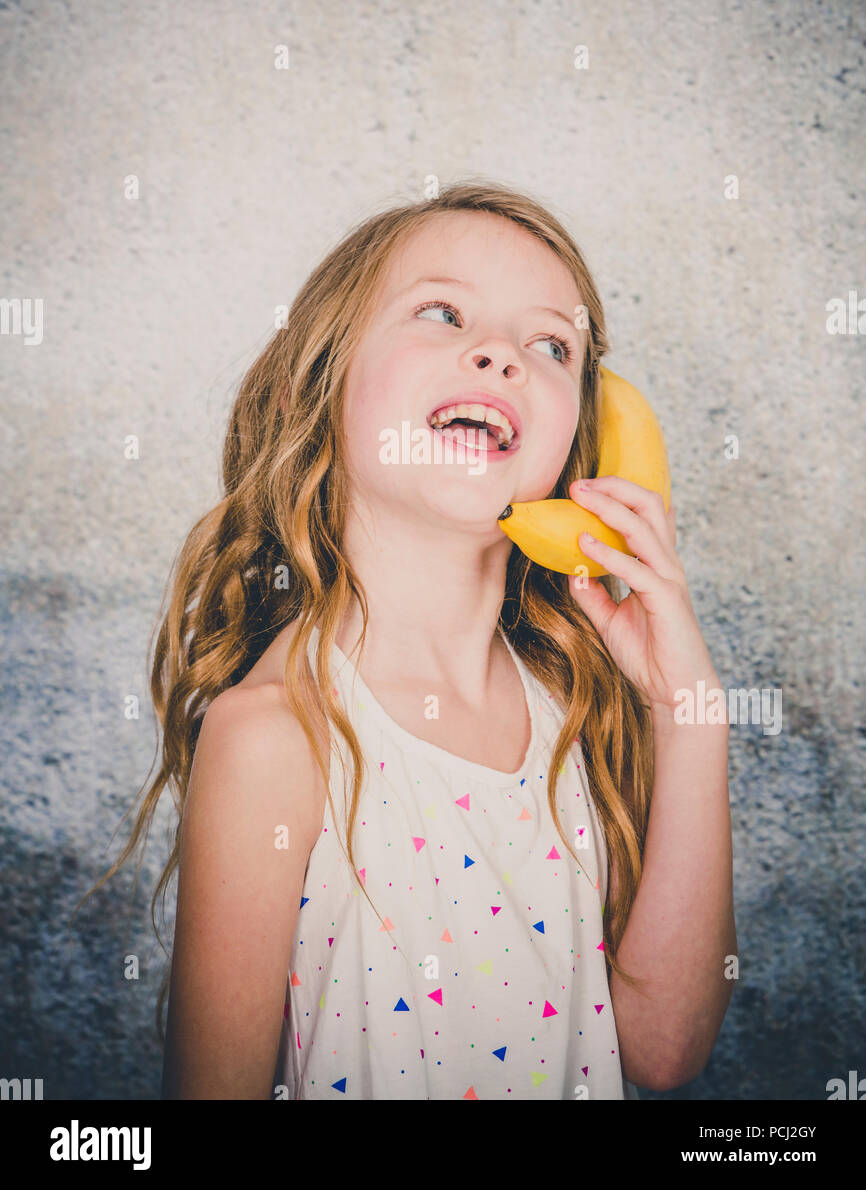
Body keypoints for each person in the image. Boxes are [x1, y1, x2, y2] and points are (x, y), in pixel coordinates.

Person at [85, 180, 736, 1099]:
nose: (503, 356)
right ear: (321, 377)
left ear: (574, 450)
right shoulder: (275, 738)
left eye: (551, 344)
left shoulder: (577, 710)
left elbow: (664, 1050)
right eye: (444, 312)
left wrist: (688, 714)